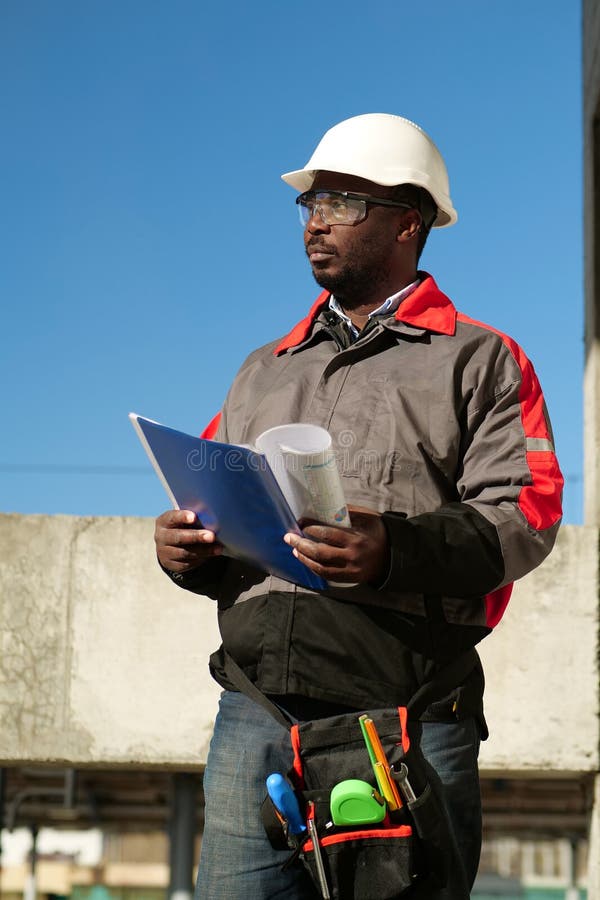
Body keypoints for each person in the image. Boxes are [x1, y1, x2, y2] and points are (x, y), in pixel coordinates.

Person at [154, 113, 563, 898]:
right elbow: (215, 498)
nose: (315, 223)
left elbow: (528, 511)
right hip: (256, 711)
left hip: (408, 716)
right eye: (310, 205)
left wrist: (393, 550)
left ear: (407, 222)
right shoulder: (262, 371)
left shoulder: (481, 360)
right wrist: (189, 551)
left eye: (340, 204)